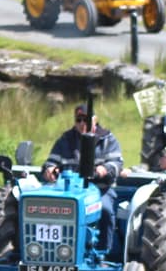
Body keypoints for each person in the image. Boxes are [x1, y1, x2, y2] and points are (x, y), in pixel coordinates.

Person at [42, 105, 124, 252]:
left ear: (95, 120)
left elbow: (116, 163)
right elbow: (52, 161)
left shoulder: (107, 139)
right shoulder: (65, 139)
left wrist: (104, 169)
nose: (81, 123)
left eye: (85, 119)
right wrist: (50, 169)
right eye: (78, 120)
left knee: (105, 209)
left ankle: (103, 251)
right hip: (68, 190)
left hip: (99, 188)